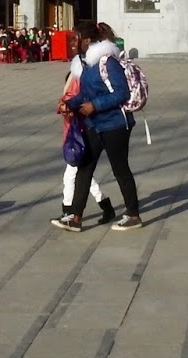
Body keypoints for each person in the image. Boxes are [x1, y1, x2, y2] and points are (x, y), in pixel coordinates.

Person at [54, 20, 143, 232]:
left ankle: (133, 214)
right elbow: (85, 94)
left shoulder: (106, 62)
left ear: (86, 41)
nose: (72, 42)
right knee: (84, 167)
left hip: (115, 124)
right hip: (95, 124)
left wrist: (95, 105)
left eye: (75, 39)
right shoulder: (85, 65)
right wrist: (70, 104)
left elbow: (122, 93)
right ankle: (75, 217)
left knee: (120, 169)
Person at [58, 55, 116, 225]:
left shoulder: (82, 79)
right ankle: (105, 205)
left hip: (80, 132)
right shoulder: (76, 76)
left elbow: (77, 101)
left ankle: (68, 211)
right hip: (75, 130)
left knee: (72, 176)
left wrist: (65, 107)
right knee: (84, 176)